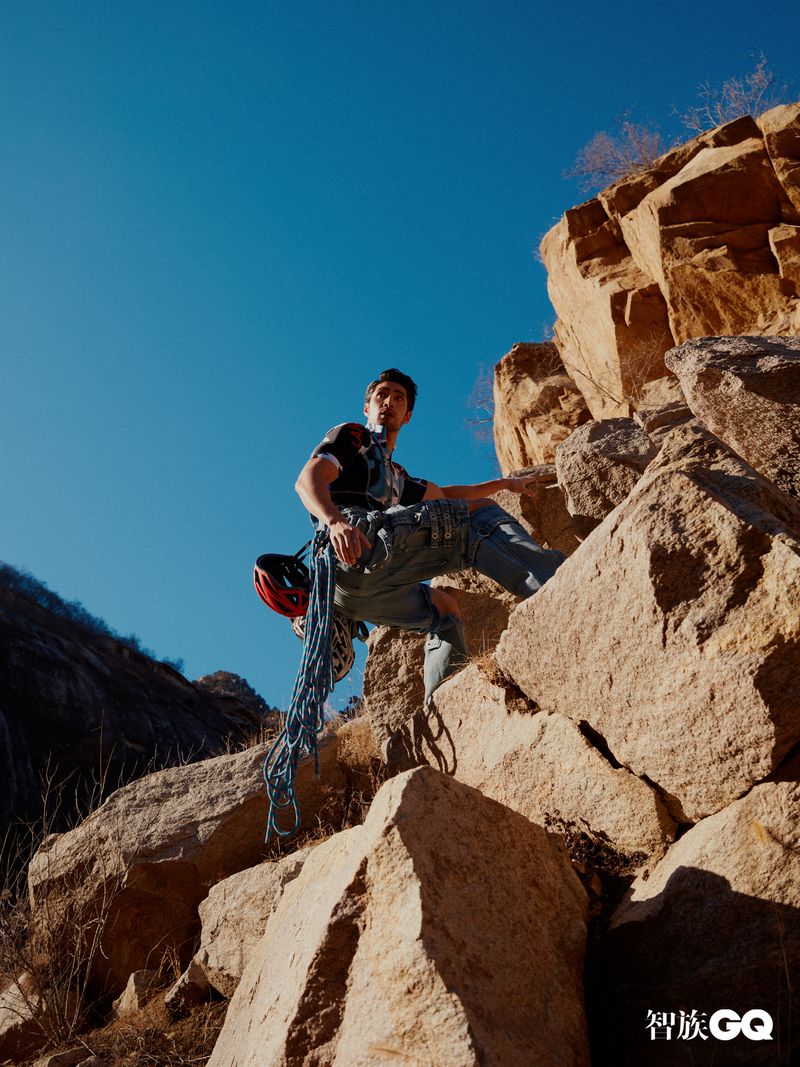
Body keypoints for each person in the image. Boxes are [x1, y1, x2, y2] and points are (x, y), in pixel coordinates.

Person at [294, 368, 564, 707]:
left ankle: (443, 707)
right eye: (382, 394)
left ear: (407, 417)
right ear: (367, 407)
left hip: (362, 594)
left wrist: (506, 484)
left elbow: (445, 495)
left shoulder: (396, 477)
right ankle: (557, 586)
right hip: (351, 545)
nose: (389, 401)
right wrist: (334, 522)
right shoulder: (355, 438)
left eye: (398, 398)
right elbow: (307, 480)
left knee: (446, 611)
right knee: (477, 516)